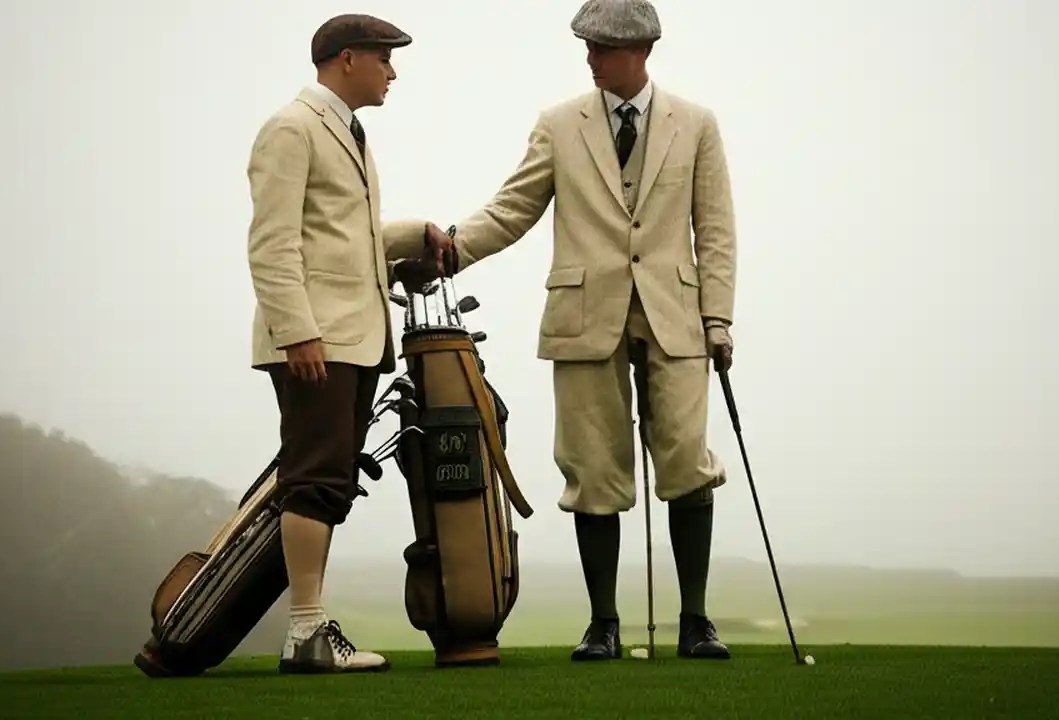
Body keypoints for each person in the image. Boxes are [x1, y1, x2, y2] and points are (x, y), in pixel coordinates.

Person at [446, 0, 737, 661]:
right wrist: (449, 249)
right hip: (584, 316)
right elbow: (513, 207)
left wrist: (717, 317)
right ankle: (602, 623)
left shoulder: (696, 125)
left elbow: (714, 228)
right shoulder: (559, 124)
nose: (589, 58)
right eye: (587, 46)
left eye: (600, 47)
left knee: (688, 460)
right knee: (591, 467)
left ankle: (696, 620)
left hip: (677, 317)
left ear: (641, 52)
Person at [246, 12, 454, 674]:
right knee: (314, 478)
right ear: (346, 60)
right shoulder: (291, 127)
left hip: (352, 338)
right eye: (384, 58)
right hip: (318, 338)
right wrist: (297, 330)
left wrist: (414, 231)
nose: (393, 72)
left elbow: (343, 234)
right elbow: (272, 240)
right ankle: (305, 631)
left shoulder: (346, 131)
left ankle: (310, 625)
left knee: (329, 480)